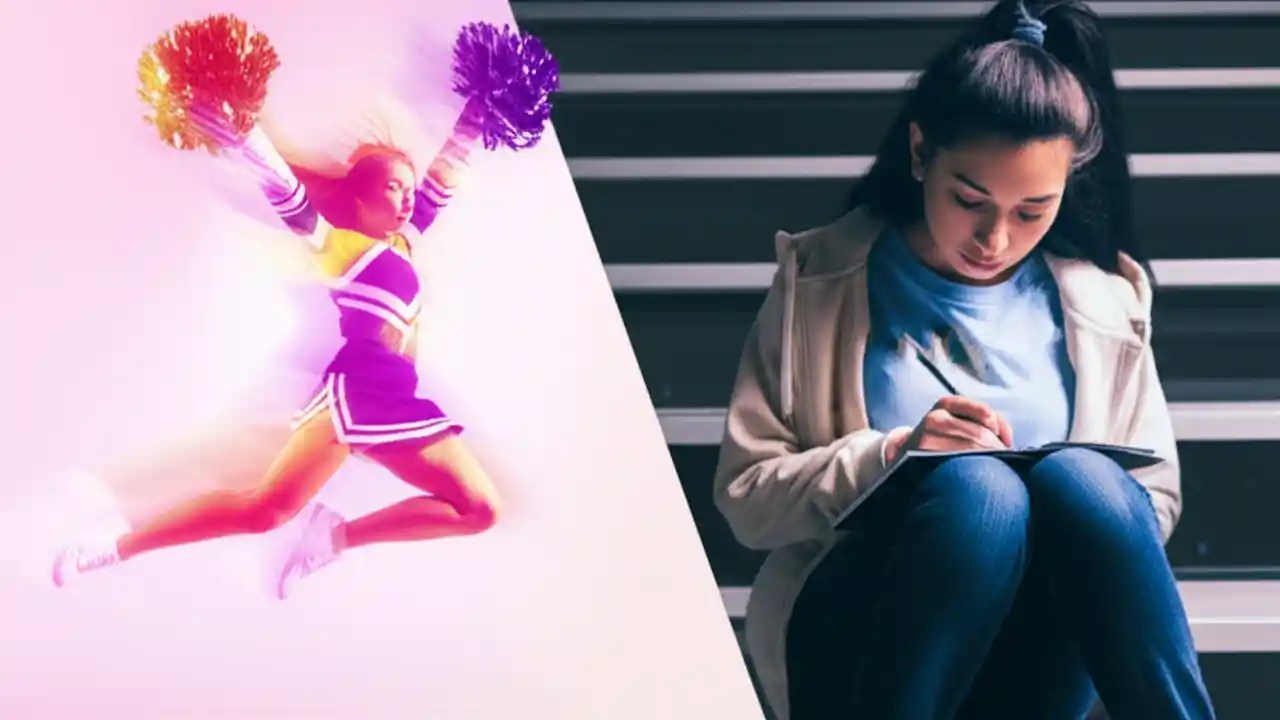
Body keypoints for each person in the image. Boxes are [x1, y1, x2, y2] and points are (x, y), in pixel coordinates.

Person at [713, 1, 1216, 718]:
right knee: (981, 492)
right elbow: (747, 498)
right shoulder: (821, 281)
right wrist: (894, 455)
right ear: (922, 154)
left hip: (1038, 645)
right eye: (969, 200)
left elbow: (1153, 503)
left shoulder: (1104, 301)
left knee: (1082, 479)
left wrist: (1054, 507)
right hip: (868, 639)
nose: (995, 239)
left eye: (1032, 210)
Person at [52, 98, 506, 600]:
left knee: (480, 510)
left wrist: (485, 99)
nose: (407, 199)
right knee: (263, 512)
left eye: (409, 189)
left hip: (397, 399)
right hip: (355, 397)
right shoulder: (341, 247)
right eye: (393, 187)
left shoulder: (405, 245)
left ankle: (333, 538)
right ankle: (115, 547)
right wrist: (240, 131)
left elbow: (443, 177)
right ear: (360, 199)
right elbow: (285, 191)